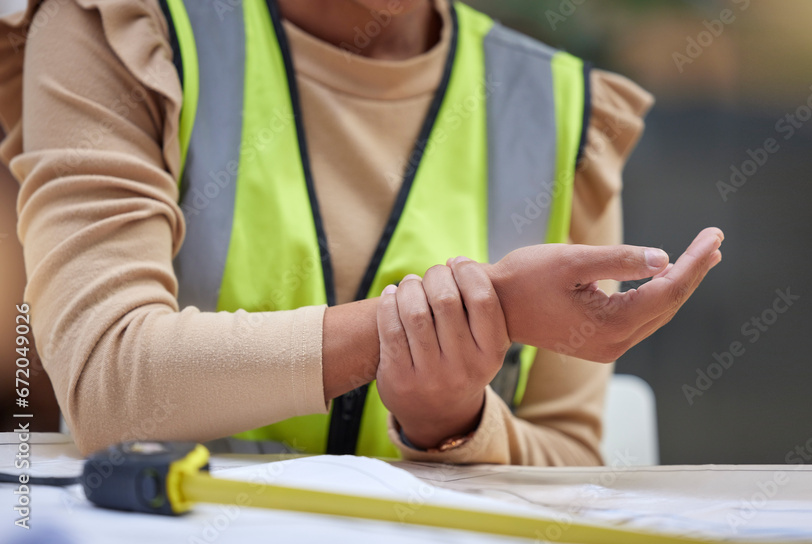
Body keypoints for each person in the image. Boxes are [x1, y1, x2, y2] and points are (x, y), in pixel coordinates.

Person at [0, 0, 723, 465]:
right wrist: (445, 322)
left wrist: (451, 421)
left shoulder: (560, 106)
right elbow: (107, 383)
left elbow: (568, 465)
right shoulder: (124, 31)